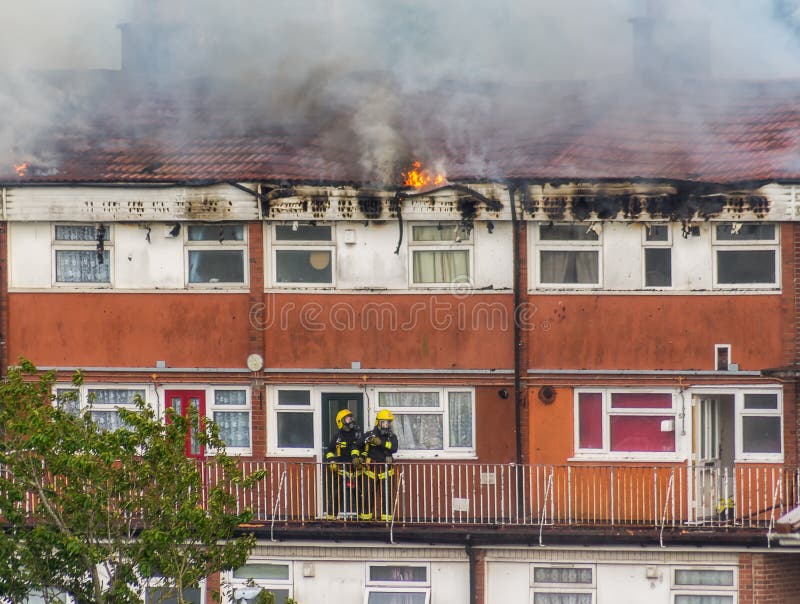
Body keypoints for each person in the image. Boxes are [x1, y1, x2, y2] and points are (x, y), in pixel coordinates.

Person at [357, 409, 399, 521]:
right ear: (378, 422)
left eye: (389, 422)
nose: (387, 425)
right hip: (371, 469)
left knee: (387, 496)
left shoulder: (392, 437)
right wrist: (358, 457)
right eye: (384, 422)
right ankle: (365, 519)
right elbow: (358, 445)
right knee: (367, 495)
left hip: (386, 470)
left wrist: (381, 443)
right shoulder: (369, 434)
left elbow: (394, 448)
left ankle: (387, 520)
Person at [324, 408, 363, 519]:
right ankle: (331, 518)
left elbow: (363, 448)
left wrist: (360, 459)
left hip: (356, 470)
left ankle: (361, 517)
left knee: (359, 494)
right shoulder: (337, 437)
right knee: (337, 494)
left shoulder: (357, 434)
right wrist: (332, 461)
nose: (351, 420)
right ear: (341, 422)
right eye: (347, 418)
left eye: (351, 417)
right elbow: (329, 451)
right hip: (341, 470)